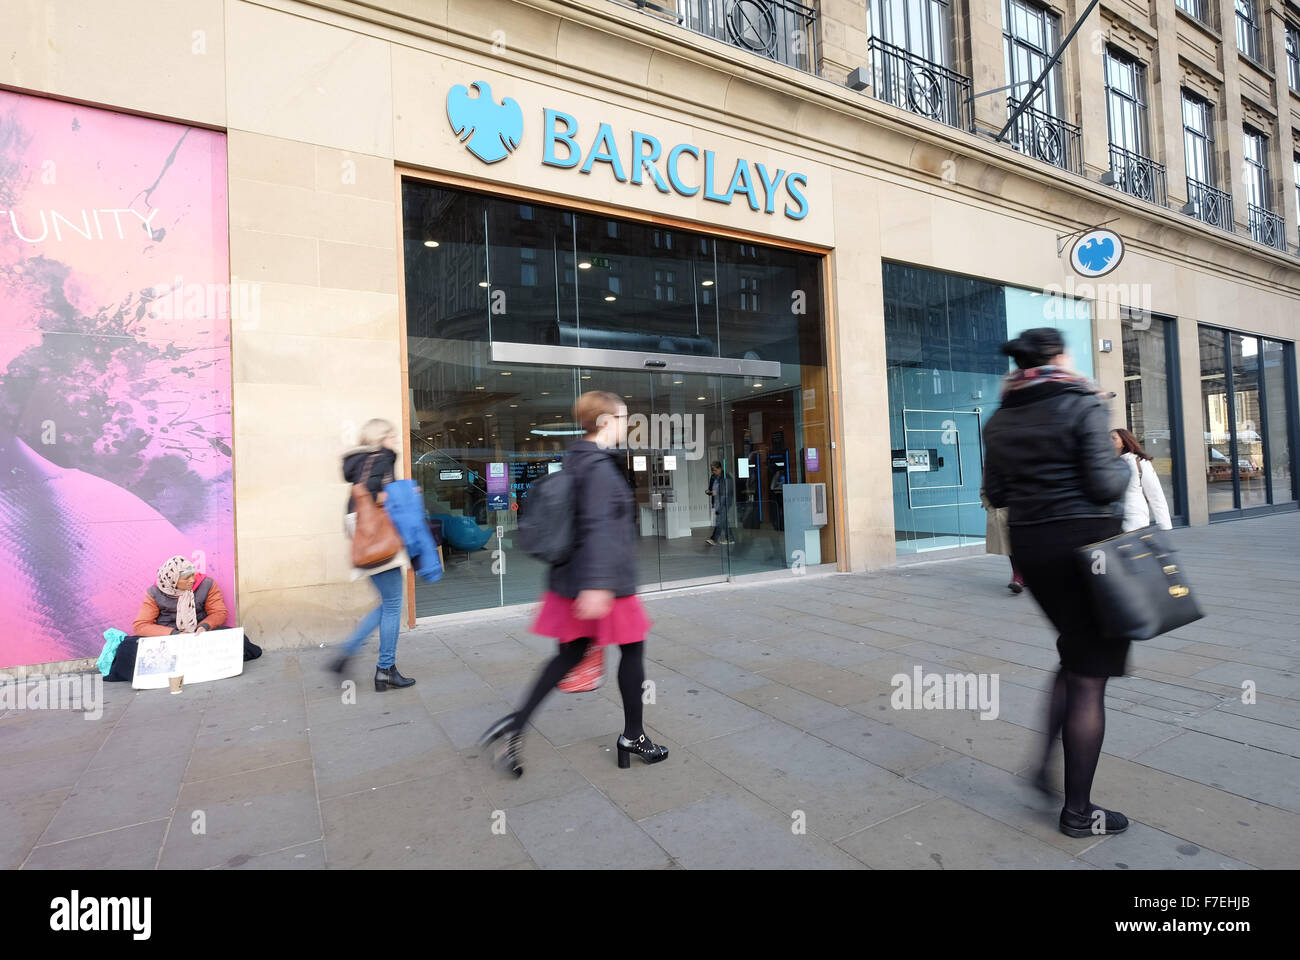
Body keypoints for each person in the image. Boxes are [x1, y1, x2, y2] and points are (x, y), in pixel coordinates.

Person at [982, 328, 1131, 838]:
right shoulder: (1084, 402)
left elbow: (996, 492)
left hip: (1033, 546)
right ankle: (1078, 813)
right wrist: (1123, 466)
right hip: (1089, 547)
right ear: (1058, 357)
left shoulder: (999, 419)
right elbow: (1105, 485)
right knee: (1090, 676)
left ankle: (1046, 764)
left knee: (1074, 654)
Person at [480, 391, 668, 777]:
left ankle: (514, 726)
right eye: (623, 418)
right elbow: (597, 526)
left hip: (573, 581)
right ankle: (633, 736)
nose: (627, 425)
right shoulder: (598, 468)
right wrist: (598, 585)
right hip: (605, 583)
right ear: (605, 422)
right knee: (632, 652)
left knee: (567, 657)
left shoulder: (577, 460)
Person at [331, 418, 414, 692]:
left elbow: (358, 497)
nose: (395, 440)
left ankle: (347, 654)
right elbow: (370, 493)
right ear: (380, 438)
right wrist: (402, 494)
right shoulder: (381, 457)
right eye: (391, 435)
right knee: (393, 603)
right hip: (379, 538)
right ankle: (384, 669)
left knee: (388, 602)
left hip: (363, 538)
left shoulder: (359, 462)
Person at [105, 556, 260, 681]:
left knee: (237, 639)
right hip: (168, 639)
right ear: (173, 580)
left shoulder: (206, 584)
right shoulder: (155, 592)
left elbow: (219, 612)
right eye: (186, 578)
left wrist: (204, 626)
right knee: (127, 649)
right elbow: (141, 625)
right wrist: (175, 634)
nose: (192, 580)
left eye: (193, 575)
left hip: (198, 635)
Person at [1112, 428, 1173, 532]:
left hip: (1134, 520)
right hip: (1112, 520)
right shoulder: (1106, 463)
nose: (1109, 441)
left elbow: (1156, 495)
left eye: (1114, 438)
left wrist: (1165, 526)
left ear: (1124, 442)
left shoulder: (1139, 462)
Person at [979, 481, 1023, 593]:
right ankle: (1018, 577)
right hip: (1002, 511)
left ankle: (1021, 577)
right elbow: (985, 488)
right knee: (1009, 545)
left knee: (1023, 544)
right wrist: (989, 506)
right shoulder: (993, 468)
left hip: (1023, 509)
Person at [706, 460, 734, 545]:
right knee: (724, 521)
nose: (713, 472)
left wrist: (717, 492)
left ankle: (713, 539)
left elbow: (727, 492)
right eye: (712, 470)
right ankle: (730, 539)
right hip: (716, 501)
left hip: (724, 502)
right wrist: (709, 492)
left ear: (720, 468)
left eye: (715, 470)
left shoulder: (727, 477)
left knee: (719, 520)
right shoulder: (713, 477)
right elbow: (711, 489)